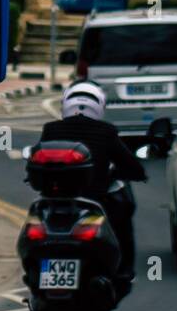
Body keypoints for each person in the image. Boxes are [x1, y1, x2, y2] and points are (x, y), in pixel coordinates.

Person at [39, 80, 146, 281]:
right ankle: (124, 269)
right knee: (122, 224)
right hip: (96, 201)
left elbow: (40, 158)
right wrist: (135, 173)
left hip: (54, 201)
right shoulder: (106, 132)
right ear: (99, 106)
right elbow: (132, 166)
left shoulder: (51, 129)